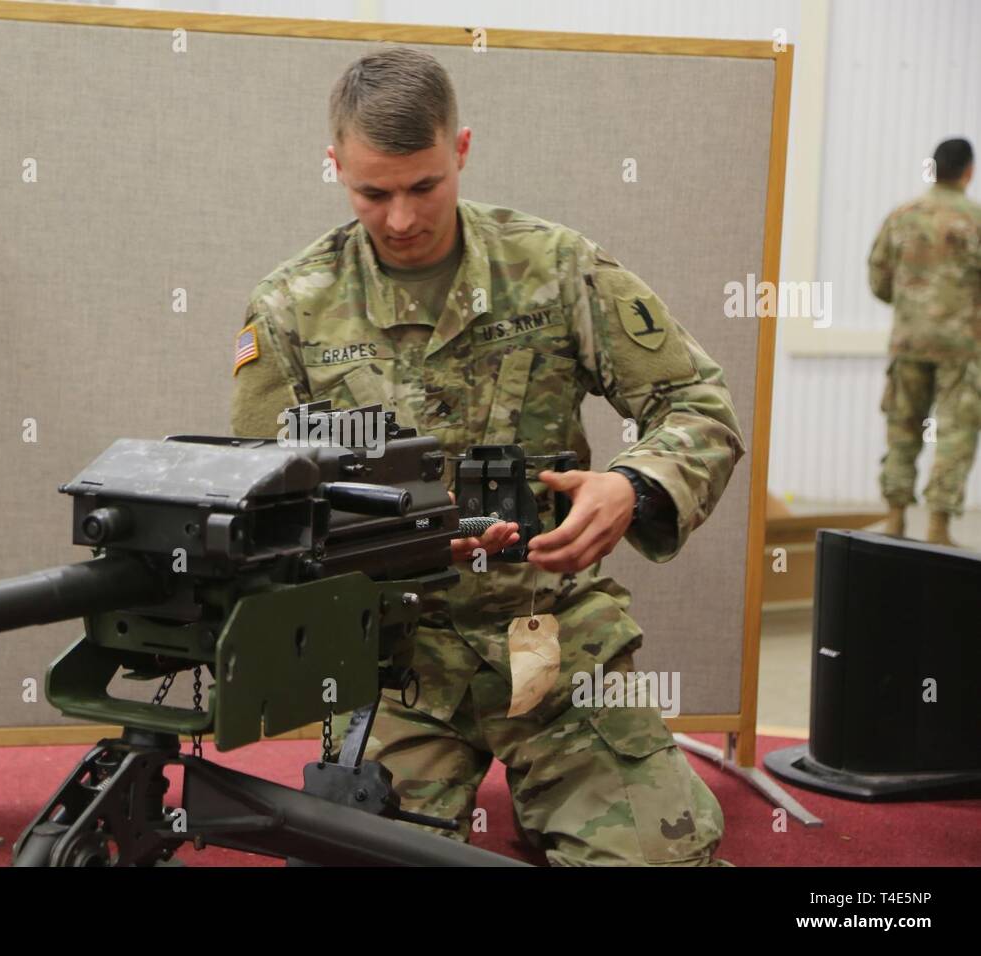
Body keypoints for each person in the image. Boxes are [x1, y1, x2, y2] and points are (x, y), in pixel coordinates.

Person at [230, 47, 744, 866]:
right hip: (392, 660)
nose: (401, 218)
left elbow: (698, 403)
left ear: (460, 149)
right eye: (373, 192)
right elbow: (262, 495)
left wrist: (631, 483)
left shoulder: (555, 268)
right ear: (334, 167)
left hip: (555, 642)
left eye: (424, 186)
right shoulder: (292, 307)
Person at [869, 138, 981, 546]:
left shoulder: (902, 217)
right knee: (955, 433)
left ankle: (895, 517)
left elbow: (879, 280)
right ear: (968, 171)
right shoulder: (976, 220)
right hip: (962, 348)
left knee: (902, 427)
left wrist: (913, 307)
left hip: (909, 342)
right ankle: (938, 527)